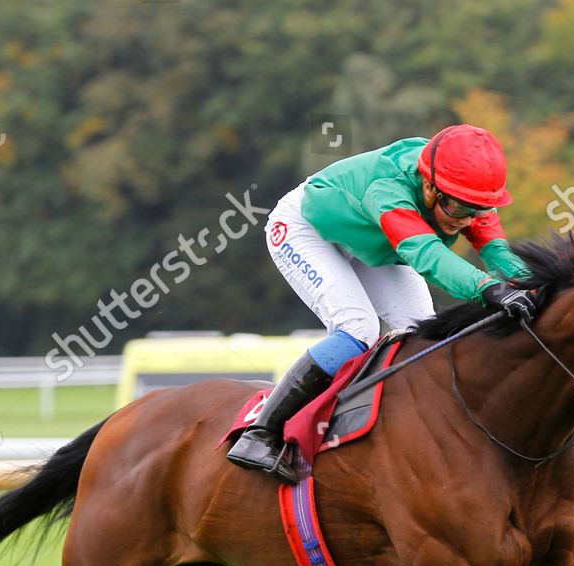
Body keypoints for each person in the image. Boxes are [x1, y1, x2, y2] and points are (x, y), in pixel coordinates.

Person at [227, 124, 537, 482]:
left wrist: (532, 283)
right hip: (306, 228)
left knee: (424, 335)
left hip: (370, 239)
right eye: (458, 207)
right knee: (358, 329)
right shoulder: (389, 190)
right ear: (429, 187)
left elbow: (496, 250)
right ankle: (260, 433)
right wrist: (489, 289)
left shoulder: (463, 188)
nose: (467, 219)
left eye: (478, 209)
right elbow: (427, 255)